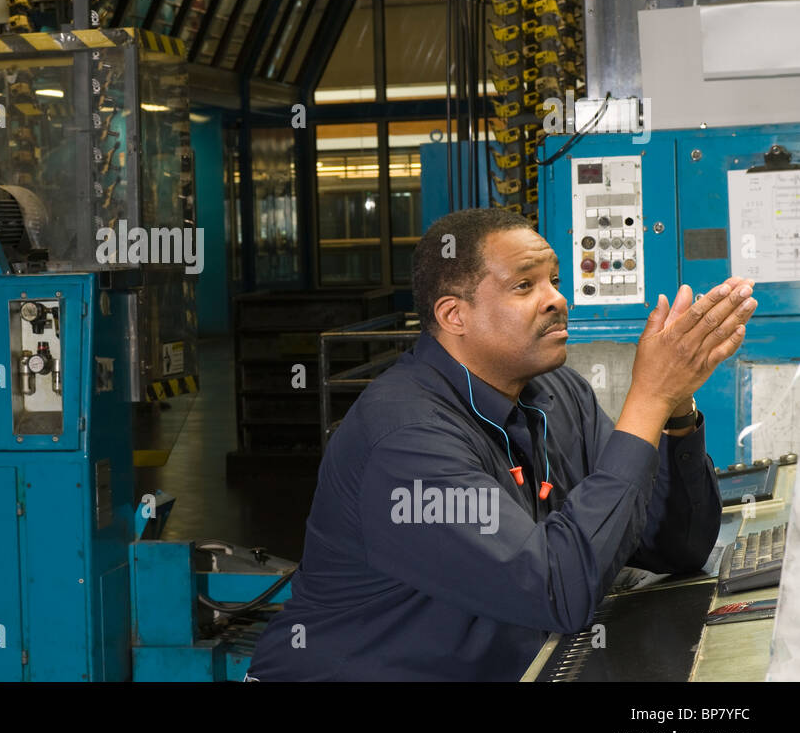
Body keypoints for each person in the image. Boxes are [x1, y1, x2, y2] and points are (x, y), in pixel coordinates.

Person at [246, 207, 755, 681]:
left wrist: (677, 411)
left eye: (554, 280)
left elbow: (676, 548)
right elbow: (558, 590)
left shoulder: (560, 395)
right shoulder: (407, 438)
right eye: (524, 285)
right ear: (454, 316)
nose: (558, 298)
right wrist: (648, 399)